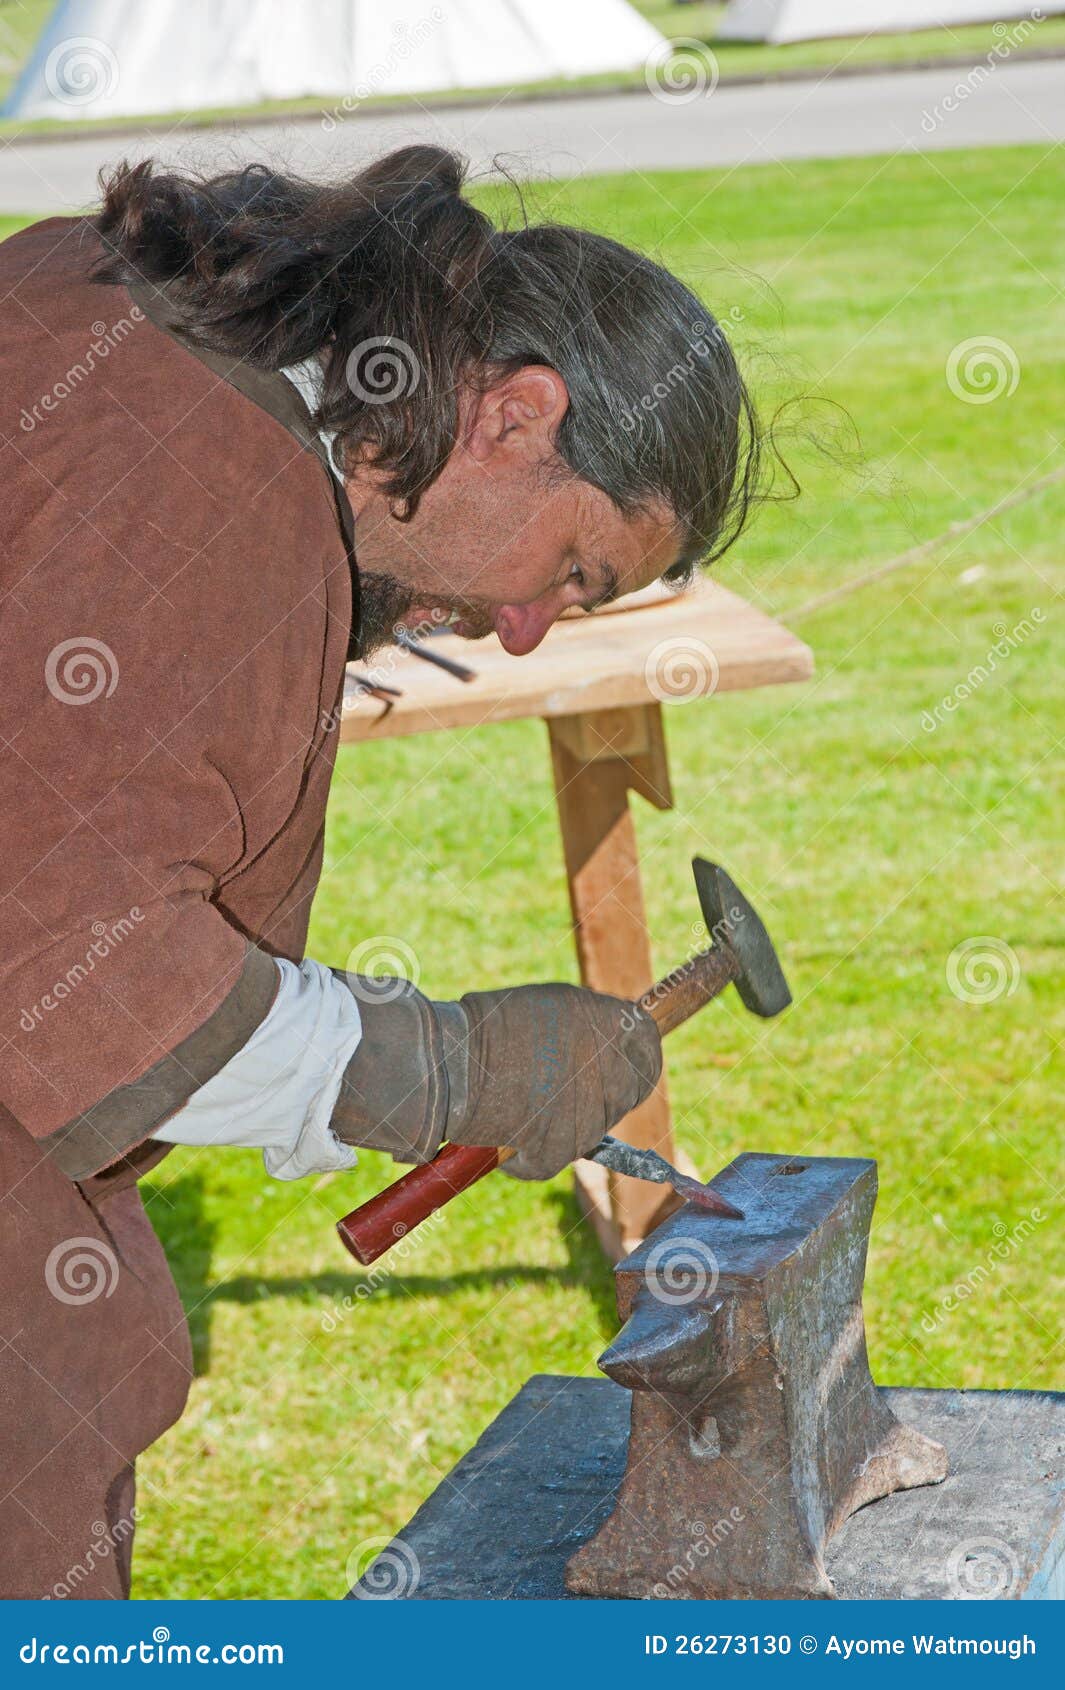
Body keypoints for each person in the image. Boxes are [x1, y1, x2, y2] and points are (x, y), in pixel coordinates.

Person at [0, 144, 760, 1597]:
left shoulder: (108, 307)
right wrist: (449, 1070)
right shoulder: (202, 476)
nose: (524, 627)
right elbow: (70, 970)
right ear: (516, 414)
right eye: (575, 571)